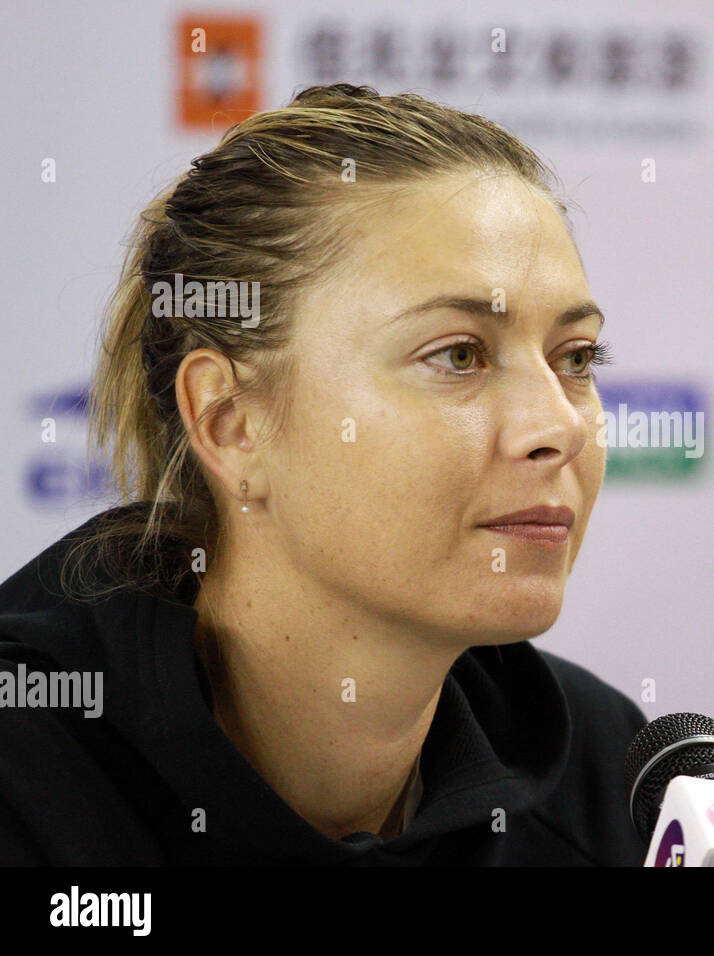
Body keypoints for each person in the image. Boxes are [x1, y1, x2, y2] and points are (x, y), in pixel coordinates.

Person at [0, 83, 648, 865]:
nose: (560, 427)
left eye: (576, 360)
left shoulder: (615, 778)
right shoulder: (28, 770)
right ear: (232, 423)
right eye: (458, 356)